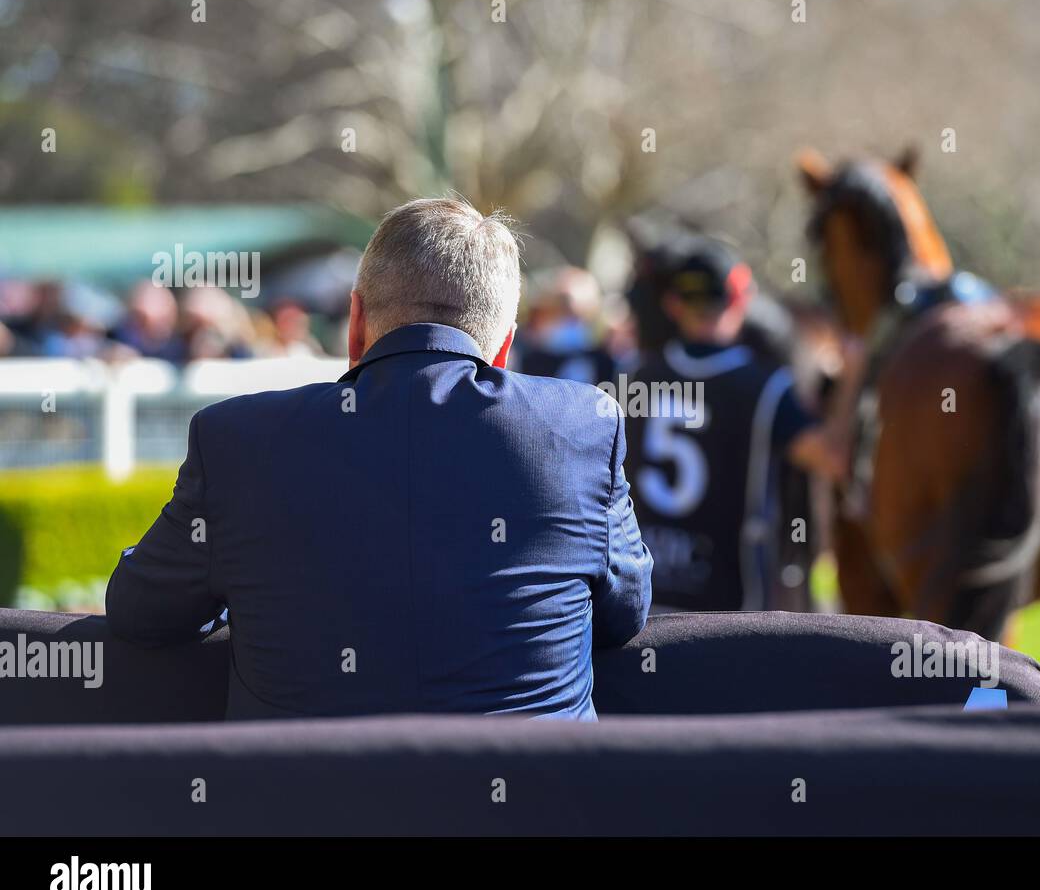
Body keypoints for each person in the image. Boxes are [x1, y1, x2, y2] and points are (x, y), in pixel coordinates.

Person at [106, 197, 652, 721]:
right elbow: (623, 611)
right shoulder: (583, 425)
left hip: (294, 808)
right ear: (505, 348)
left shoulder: (235, 438)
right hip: (535, 808)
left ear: (355, 321)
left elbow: (140, 610)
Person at [622, 237, 860, 614]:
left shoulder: (634, 377)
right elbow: (832, 459)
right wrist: (851, 376)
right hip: (727, 608)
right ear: (740, 301)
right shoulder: (764, 387)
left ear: (673, 304)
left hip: (641, 595)